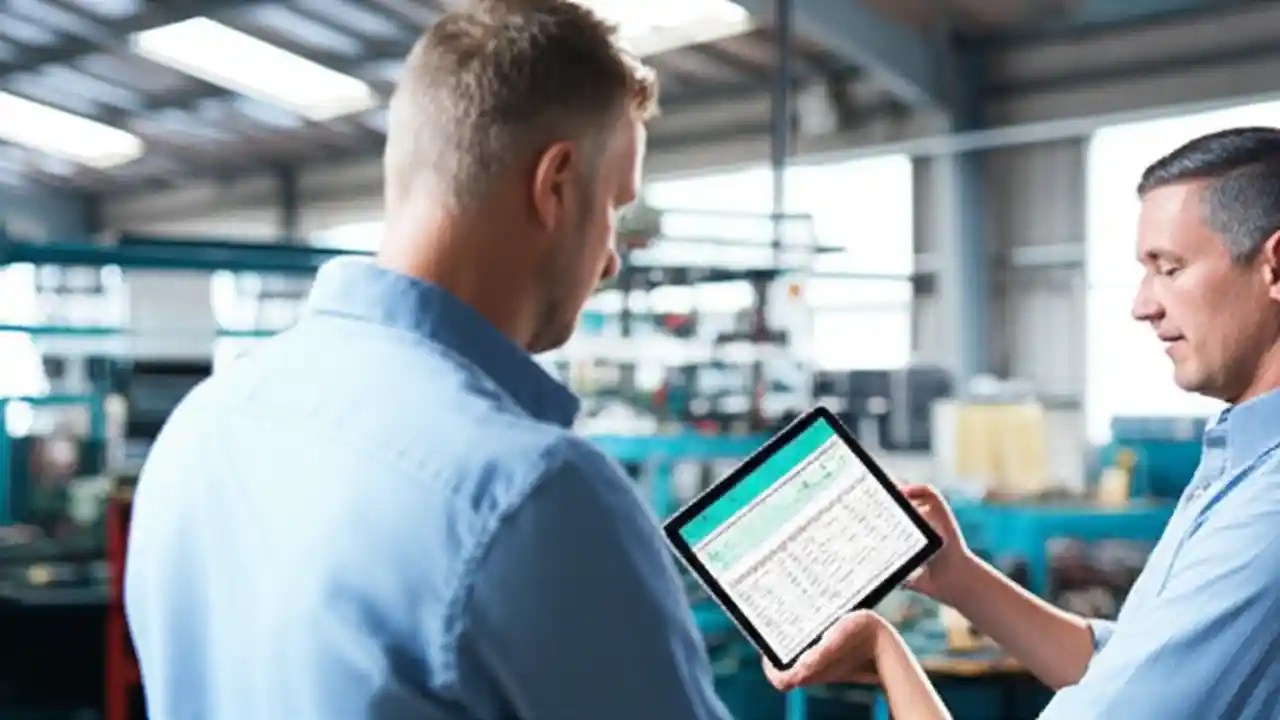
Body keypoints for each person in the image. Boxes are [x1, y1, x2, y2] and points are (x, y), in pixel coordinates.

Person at [124, 3, 738, 718]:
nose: (608, 259)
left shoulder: (204, 424)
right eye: (613, 208)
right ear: (557, 184)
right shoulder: (533, 495)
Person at [765, 126, 1280, 719]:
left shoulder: (1266, 510)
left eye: (1169, 267)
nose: (1143, 304)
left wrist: (885, 652)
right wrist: (957, 576)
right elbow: (1127, 669)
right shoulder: (1240, 458)